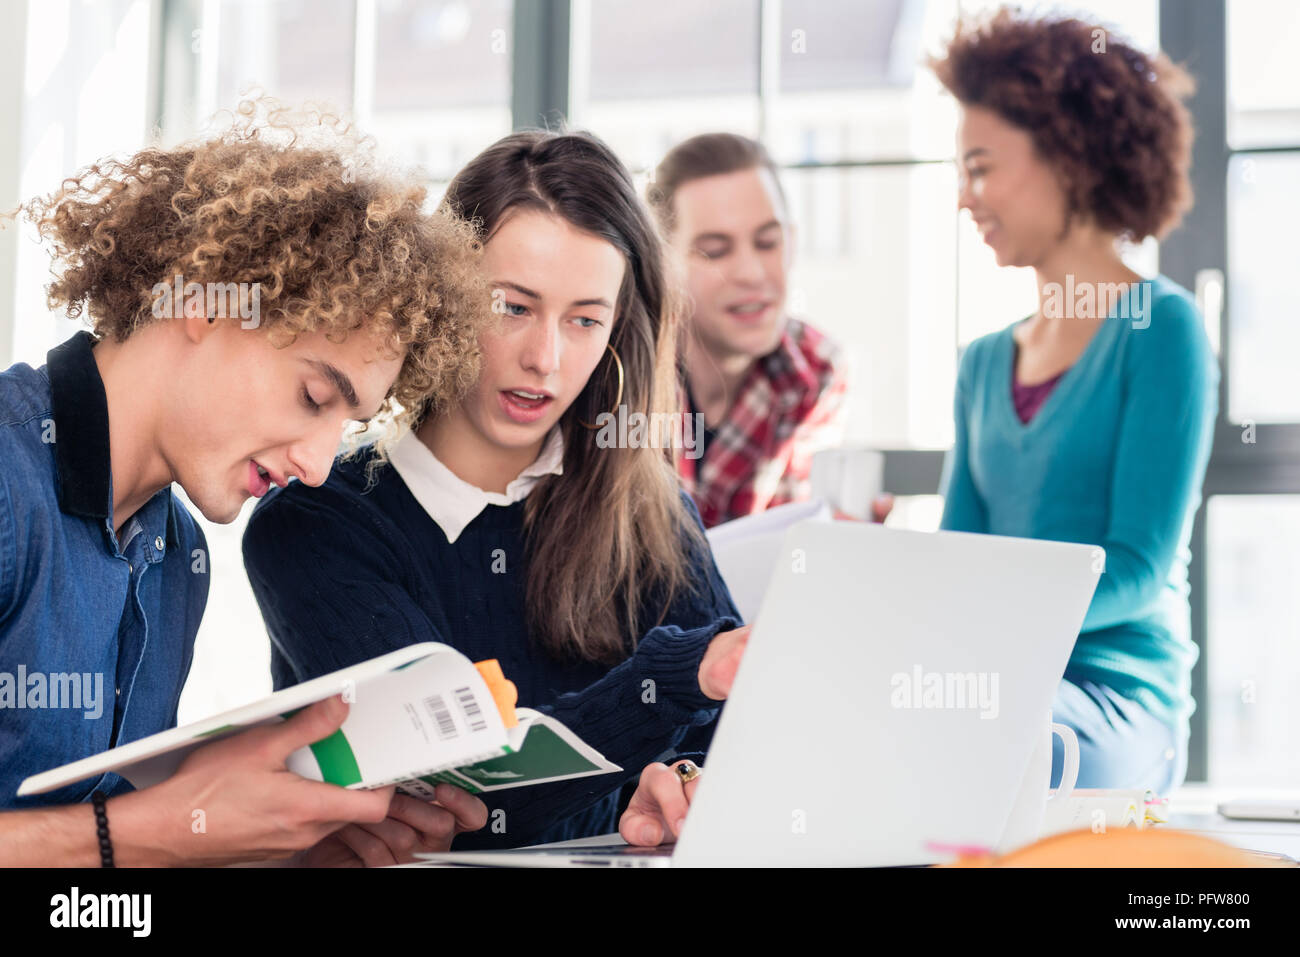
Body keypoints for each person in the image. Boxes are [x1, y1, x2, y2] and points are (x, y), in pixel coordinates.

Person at [0, 101, 491, 866]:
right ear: (203, 294)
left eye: (347, 423)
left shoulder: (175, 554)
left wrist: (290, 843)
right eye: (313, 397)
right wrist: (156, 827)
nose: (320, 466)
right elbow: (118, 845)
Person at [242, 129, 750, 850]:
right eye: (511, 306)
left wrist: (682, 784)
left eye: (584, 320)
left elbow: (744, 744)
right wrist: (672, 680)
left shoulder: (650, 508)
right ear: (445, 297)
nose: (545, 359)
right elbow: (458, 799)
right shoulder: (315, 521)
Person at [930, 10, 1217, 792]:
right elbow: (960, 557)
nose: (966, 198)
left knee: (985, 745)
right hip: (996, 690)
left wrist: (992, 636)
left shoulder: (1161, 329)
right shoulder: (985, 364)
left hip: (1118, 700)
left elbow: (1136, 569)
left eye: (982, 167)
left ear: (1067, 155)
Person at [649, 133, 887, 528]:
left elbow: (793, 543)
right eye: (715, 251)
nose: (751, 273)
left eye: (767, 242)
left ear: (791, 243)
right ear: (663, 263)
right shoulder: (621, 367)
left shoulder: (816, 370)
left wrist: (842, 545)